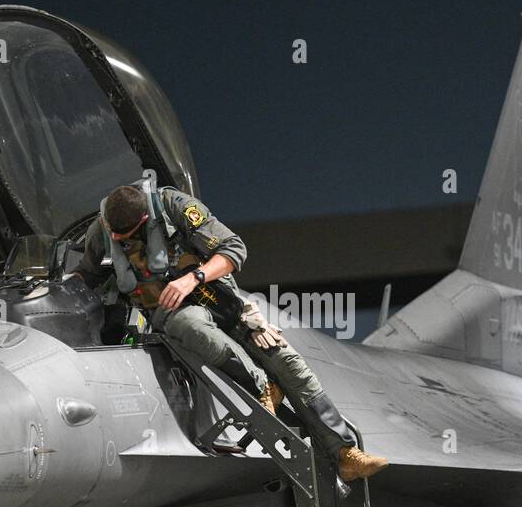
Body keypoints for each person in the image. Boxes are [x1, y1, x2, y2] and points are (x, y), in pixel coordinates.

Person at [73, 182, 388, 482]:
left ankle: (346, 454)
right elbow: (86, 275)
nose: (120, 240)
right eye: (116, 236)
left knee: (286, 360)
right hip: (174, 311)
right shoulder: (102, 233)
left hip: (218, 296)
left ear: (144, 219)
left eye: (127, 235)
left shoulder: (175, 207)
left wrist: (194, 277)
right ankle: (263, 386)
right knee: (192, 326)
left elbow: (234, 249)